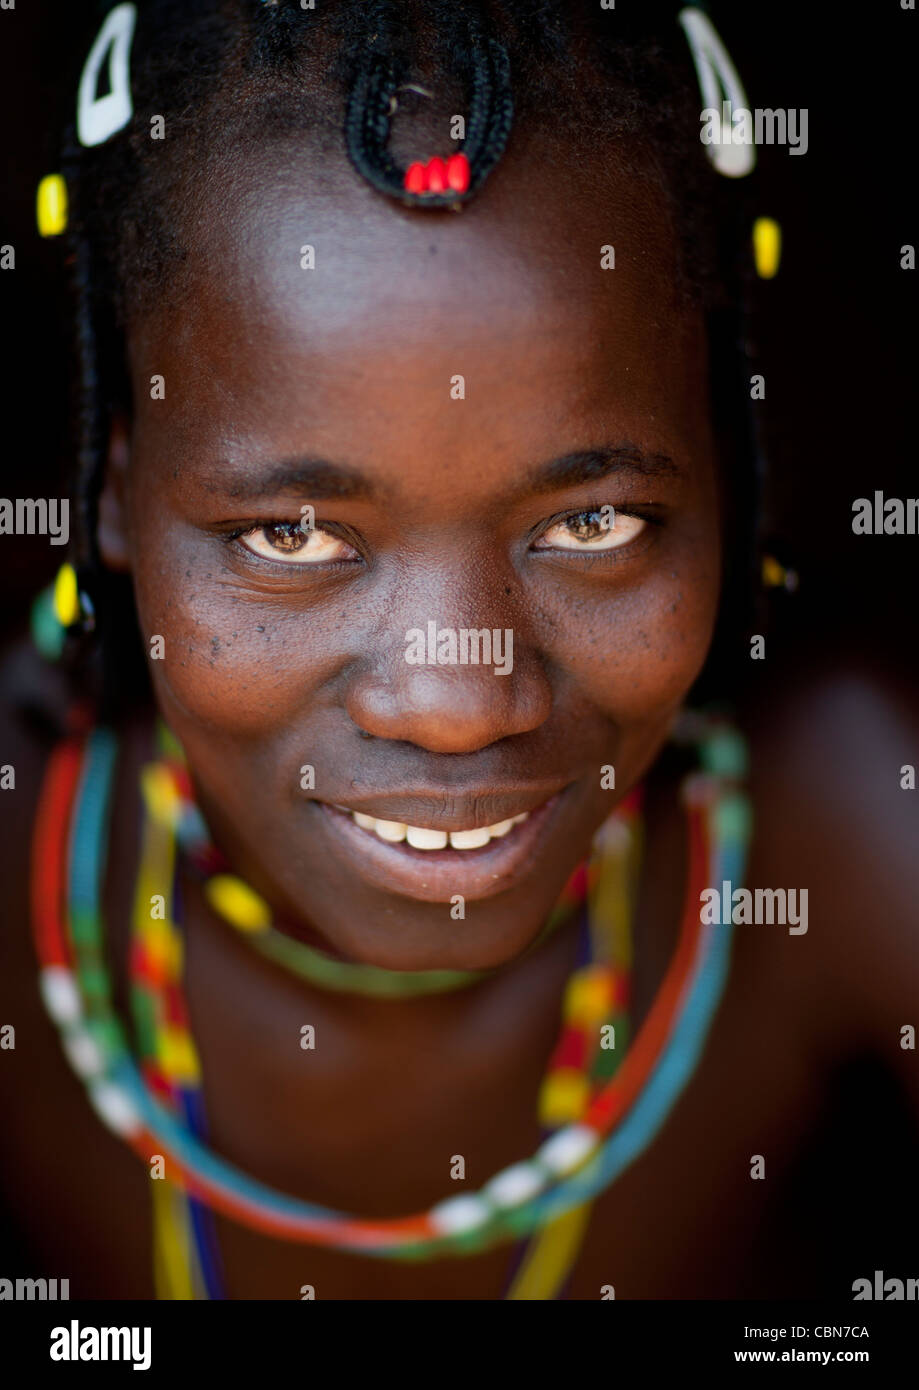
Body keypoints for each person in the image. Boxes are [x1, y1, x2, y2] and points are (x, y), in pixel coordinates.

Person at [0, 0, 916, 1300]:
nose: (453, 700)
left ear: (733, 475)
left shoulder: (841, 823)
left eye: (593, 522)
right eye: (294, 533)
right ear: (112, 484)